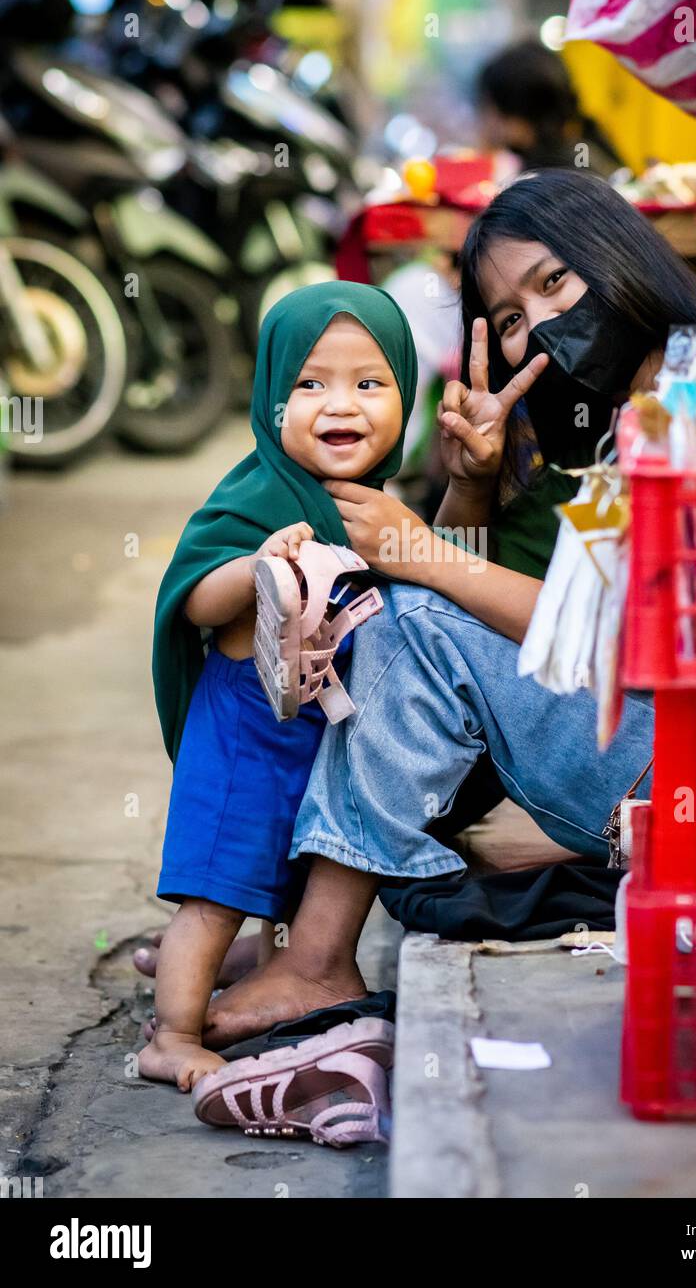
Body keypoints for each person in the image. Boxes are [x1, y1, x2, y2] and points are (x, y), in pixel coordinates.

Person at [138, 169, 696, 1050]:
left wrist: (423, 552)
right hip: (656, 761)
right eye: (506, 320)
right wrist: (470, 486)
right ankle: (296, 942)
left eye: (553, 283)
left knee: (402, 621)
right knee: (404, 619)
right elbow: (482, 612)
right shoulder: (612, 423)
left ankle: (314, 959)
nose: (535, 328)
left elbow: (622, 638)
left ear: (618, 255)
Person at [138, 282, 417, 1089]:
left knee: (284, 890)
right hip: (243, 745)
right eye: (310, 384)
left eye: (370, 384)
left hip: (307, 743)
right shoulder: (261, 492)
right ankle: (173, 1033)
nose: (342, 405)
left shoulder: (366, 504)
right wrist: (258, 567)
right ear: (270, 398)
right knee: (214, 897)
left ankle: (269, 975)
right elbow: (191, 592)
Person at [477, 39, 622, 179]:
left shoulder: (562, 168)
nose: (488, 120)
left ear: (518, 116)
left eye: (490, 107)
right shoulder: (583, 138)